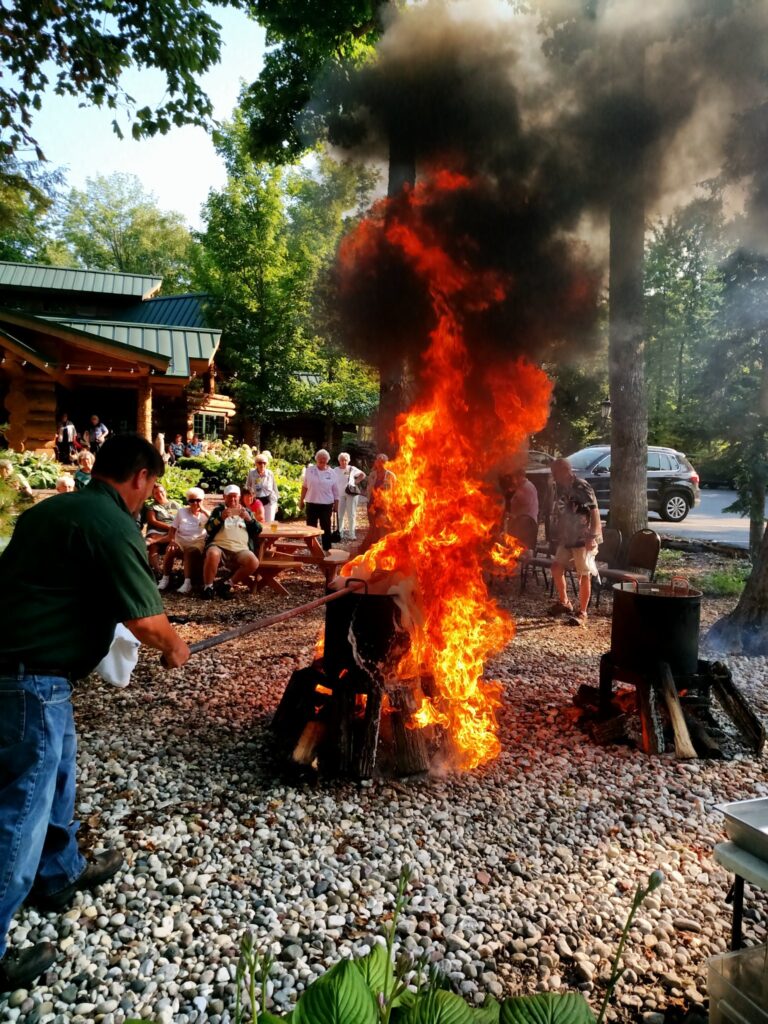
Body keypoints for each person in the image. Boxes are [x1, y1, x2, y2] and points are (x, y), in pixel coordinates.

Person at [0, 434, 190, 990]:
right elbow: (147, 621)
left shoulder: (54, 510)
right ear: (139, 478)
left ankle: (57, 874)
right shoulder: (111, 523)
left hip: (35, 678)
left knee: (57, 776)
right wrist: (175, 647)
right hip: (27, 678)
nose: (148, 495)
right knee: (19, 812)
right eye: (151, 485)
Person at [548, 457, 602, 627]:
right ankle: (565, 602)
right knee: (556, 567)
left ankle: (582, 612)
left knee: (583, 574)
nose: (554, 476)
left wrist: (592, 536)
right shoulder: (561, 487)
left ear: (565, 471)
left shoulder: (581, 486)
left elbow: (594, 511)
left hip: (583, 537)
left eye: (555, 473)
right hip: (567, 537)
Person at [201, 484, 261, 600]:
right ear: (225, 497)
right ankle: (208, 587)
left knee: (253, 562)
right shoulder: (219, 511)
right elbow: (208, 528)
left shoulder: (246, 511)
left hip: (241, 549)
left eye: (235, 496)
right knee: (213, 553)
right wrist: (220, 519)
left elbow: (258, 530)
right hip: (219, 546)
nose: (233, 499)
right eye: (230, 497)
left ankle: (227, 584)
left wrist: (249, 520)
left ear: (239, 497)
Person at [158, 487, 209, 595]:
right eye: (192, 500)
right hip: (180, 540)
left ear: (202, 500)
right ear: (188, 501)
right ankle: (165, 578)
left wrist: (204, 510)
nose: (195, 503)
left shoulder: (206, 514)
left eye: (198, 500)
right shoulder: (182, 512)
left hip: (197, 541)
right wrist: (172, 541)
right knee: (170, 550)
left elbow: (216, 524)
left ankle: (187, 582)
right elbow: (172, 530)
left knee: (189, 551)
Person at [300, 449, 339, 552]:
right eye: (320, 460)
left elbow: (336, 491)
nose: (322, 462)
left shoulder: (332, 473)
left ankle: (327, 548)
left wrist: (336, 505)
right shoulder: (310, 471)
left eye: (324, 460)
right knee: (310, 527)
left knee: (326, 526)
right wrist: (301, 501)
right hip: (311, 503)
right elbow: (304, 487)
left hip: (326, 504)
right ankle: (311, 547)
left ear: (327, 460)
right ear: (316, 460)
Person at [144, 482, 180, 574]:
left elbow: (182, 518)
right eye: (156, 493)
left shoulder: (176, 504)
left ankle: (153, 540)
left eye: (161, 491)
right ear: (153, 495)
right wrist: (170, 527)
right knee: (153, 546)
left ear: (165, 492)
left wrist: (174, 528)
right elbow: (153, 521)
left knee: (152, 541)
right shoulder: (151, 506)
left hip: (173, 530)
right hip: (157, 530)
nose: (159, 494)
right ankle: (158, 571)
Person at [333, 452, 366, 541]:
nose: (343, 462)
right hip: (339, 495)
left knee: (351, 514)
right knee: (340, 515)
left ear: (348, 461)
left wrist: (355, 482)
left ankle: (352, 534)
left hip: (351, 494)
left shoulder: (352, 468)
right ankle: (340, 533)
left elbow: (363, 474)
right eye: (341, 460)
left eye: (345, 460)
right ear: (339, 460)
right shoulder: (335, 470)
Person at [245, 452, 279, 523]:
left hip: (269, 500)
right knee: (256, 521)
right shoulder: (252, 473)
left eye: (264, 463)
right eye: (260, 463)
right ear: (256, 464)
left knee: (269, 522)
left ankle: (268, 534)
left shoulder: (270, 473)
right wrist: (246, 501)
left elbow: (274, 488)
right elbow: (247, 487)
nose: (262, 465)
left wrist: (277, 503)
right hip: (256, 500)